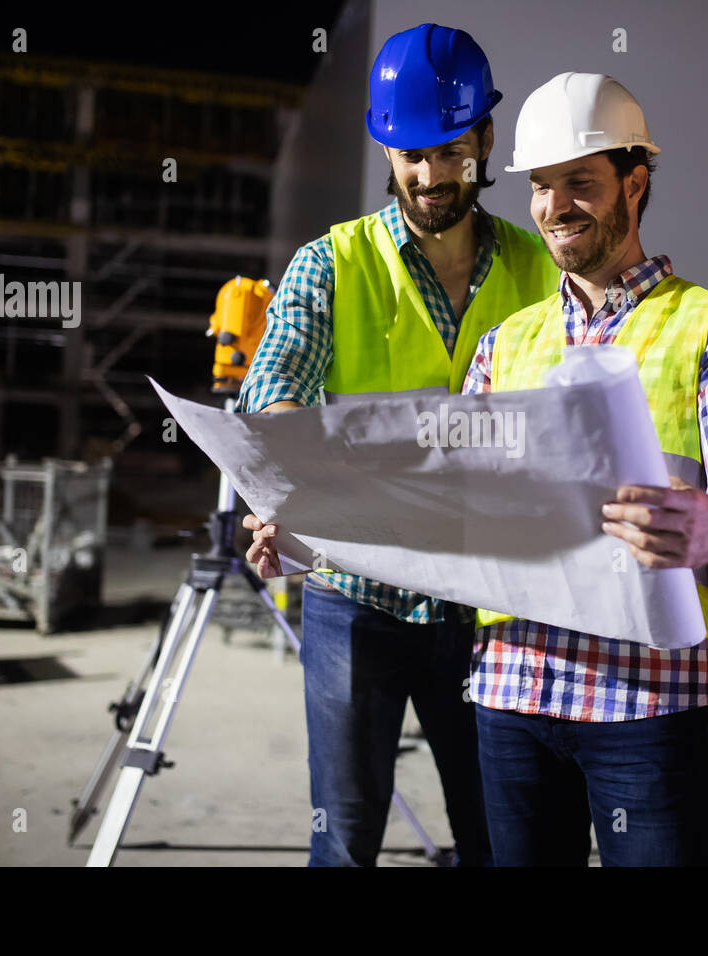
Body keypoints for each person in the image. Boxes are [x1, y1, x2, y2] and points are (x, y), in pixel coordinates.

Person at [239, 23, 558, 867]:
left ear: (486, 140)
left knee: (499, 838)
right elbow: (271, 400)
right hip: (358, 595)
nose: (427, 177)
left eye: (449, 151)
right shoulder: (330, 265)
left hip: (491, 603)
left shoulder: (543, 273)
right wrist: (283, 493)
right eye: (408, 154)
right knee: (344, 842)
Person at [461, 72, 708, 866]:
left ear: (634, 185)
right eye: (541, 186)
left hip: (642, 702)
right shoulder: (502, 344)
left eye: (580, 183)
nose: (553, 206)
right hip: (510, 689)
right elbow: (454, 501)